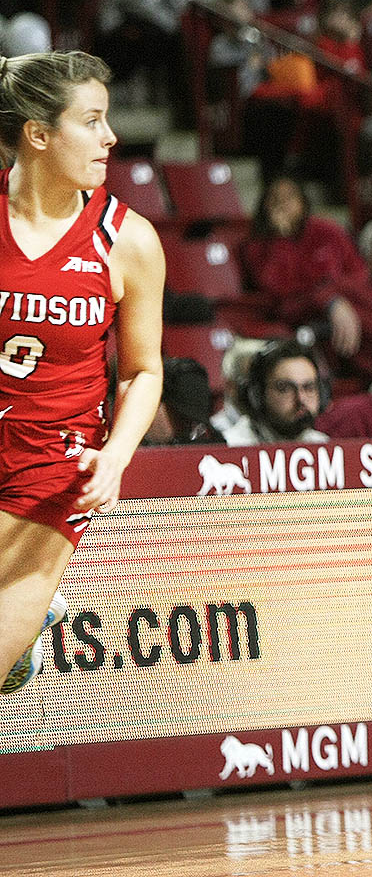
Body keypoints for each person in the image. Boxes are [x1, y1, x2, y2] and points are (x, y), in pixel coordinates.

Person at [0, 51, 165, 693]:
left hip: (52, 464)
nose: (110, 137)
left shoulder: (127, 239)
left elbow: (143, 371)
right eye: (91, 121)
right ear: (39, 135)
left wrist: (118, 454)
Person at [222, 339, 330, 445]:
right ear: (258, 395)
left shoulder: (323, 445)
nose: (301, 399)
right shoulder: (231, 447)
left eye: (309, 387)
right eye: (285, 388)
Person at [141, 356, 225, 445]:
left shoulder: (213, 445)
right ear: (154, 405)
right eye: (180, 418)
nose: (188, 430)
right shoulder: (127, 449)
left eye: (196, 422)